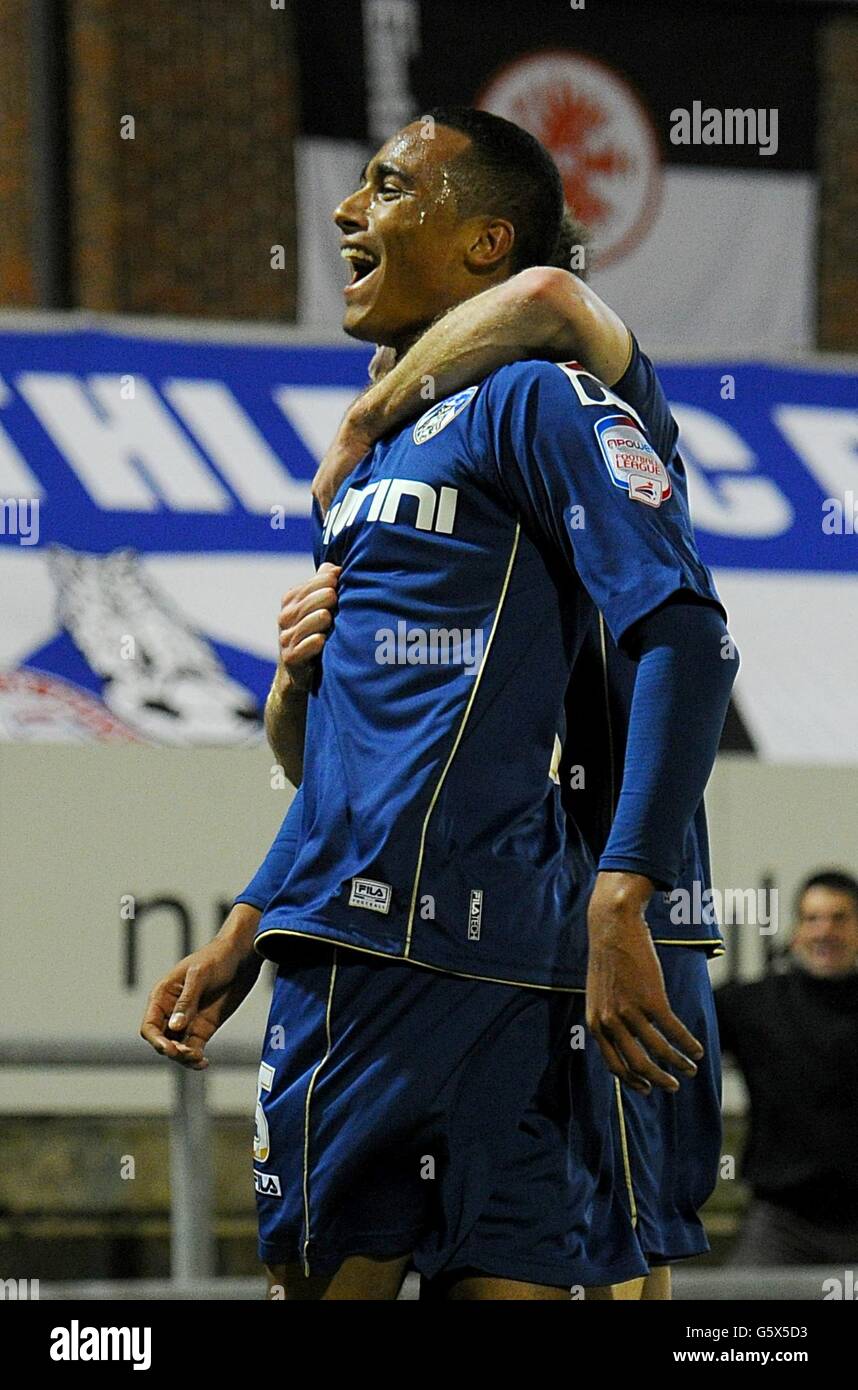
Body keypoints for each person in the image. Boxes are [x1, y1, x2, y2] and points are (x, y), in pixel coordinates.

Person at [141, 106, 737, 1300]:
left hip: (543, 946)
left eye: (389, 187)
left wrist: (624, 889)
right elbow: (351, 752)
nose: (345, 212)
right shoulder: (370, 477)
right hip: (402, 935)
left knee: (619, 1286)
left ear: (485, 244)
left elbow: (688, 634)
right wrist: (257, 900)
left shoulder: (543, 398)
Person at [312, 208, 728, 1301]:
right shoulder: (435, 489)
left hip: (614, 903)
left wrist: (365, 414)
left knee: (618, 1262)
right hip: (481, 928)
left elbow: (546, 295)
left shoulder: (574, 398)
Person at [716, 869, 858, 1266]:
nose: (825, 931)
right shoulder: (754, 1006)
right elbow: (671, 1027)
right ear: (797, 931)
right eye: (813, 919)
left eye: (840, 918)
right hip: (782, 1222)